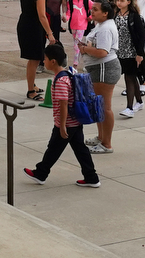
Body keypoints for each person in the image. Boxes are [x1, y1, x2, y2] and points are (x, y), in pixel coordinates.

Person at [23, 44, 102, 188]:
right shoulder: (68, 74)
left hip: (66, 123)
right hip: (76, 121)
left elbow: (63, 103)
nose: (44, 61)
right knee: (80, 150)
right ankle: (91, 177)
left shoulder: (60, 81)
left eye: (45, 59)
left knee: (54, 149)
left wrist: (62, 125)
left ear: (53, 61)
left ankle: (41, 173)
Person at [77, 0, 122, 154]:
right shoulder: (100, 25)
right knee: (98, 105)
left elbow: (103, 52)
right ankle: (101, 137)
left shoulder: (105, 28)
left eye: (95, 9)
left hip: (104, 69)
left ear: (105, 13)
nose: (92, 11)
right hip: (97, 69)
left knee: (104, 107)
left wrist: (85, 50)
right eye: (92, 9)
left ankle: (107, 144)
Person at [17, 0, 54, 101]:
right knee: (34, 59)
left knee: (32, 58)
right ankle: (31, 91)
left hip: (24, 23)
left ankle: (32, 84)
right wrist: (50, 33)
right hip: (34, 26)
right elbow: (42, 16)